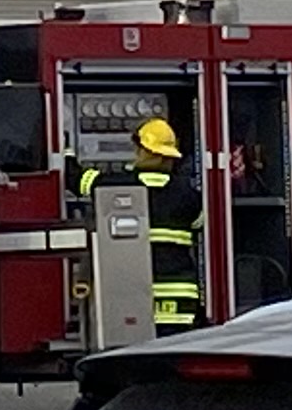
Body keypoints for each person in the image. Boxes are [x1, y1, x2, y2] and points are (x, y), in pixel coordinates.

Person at [77, 113, 204, 331]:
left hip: (133, 294)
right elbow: (198, 223)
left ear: (142, 150)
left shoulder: (118, 185)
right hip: (180, 296)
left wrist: (66, 152)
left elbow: (79, 180)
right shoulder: (189, 194)